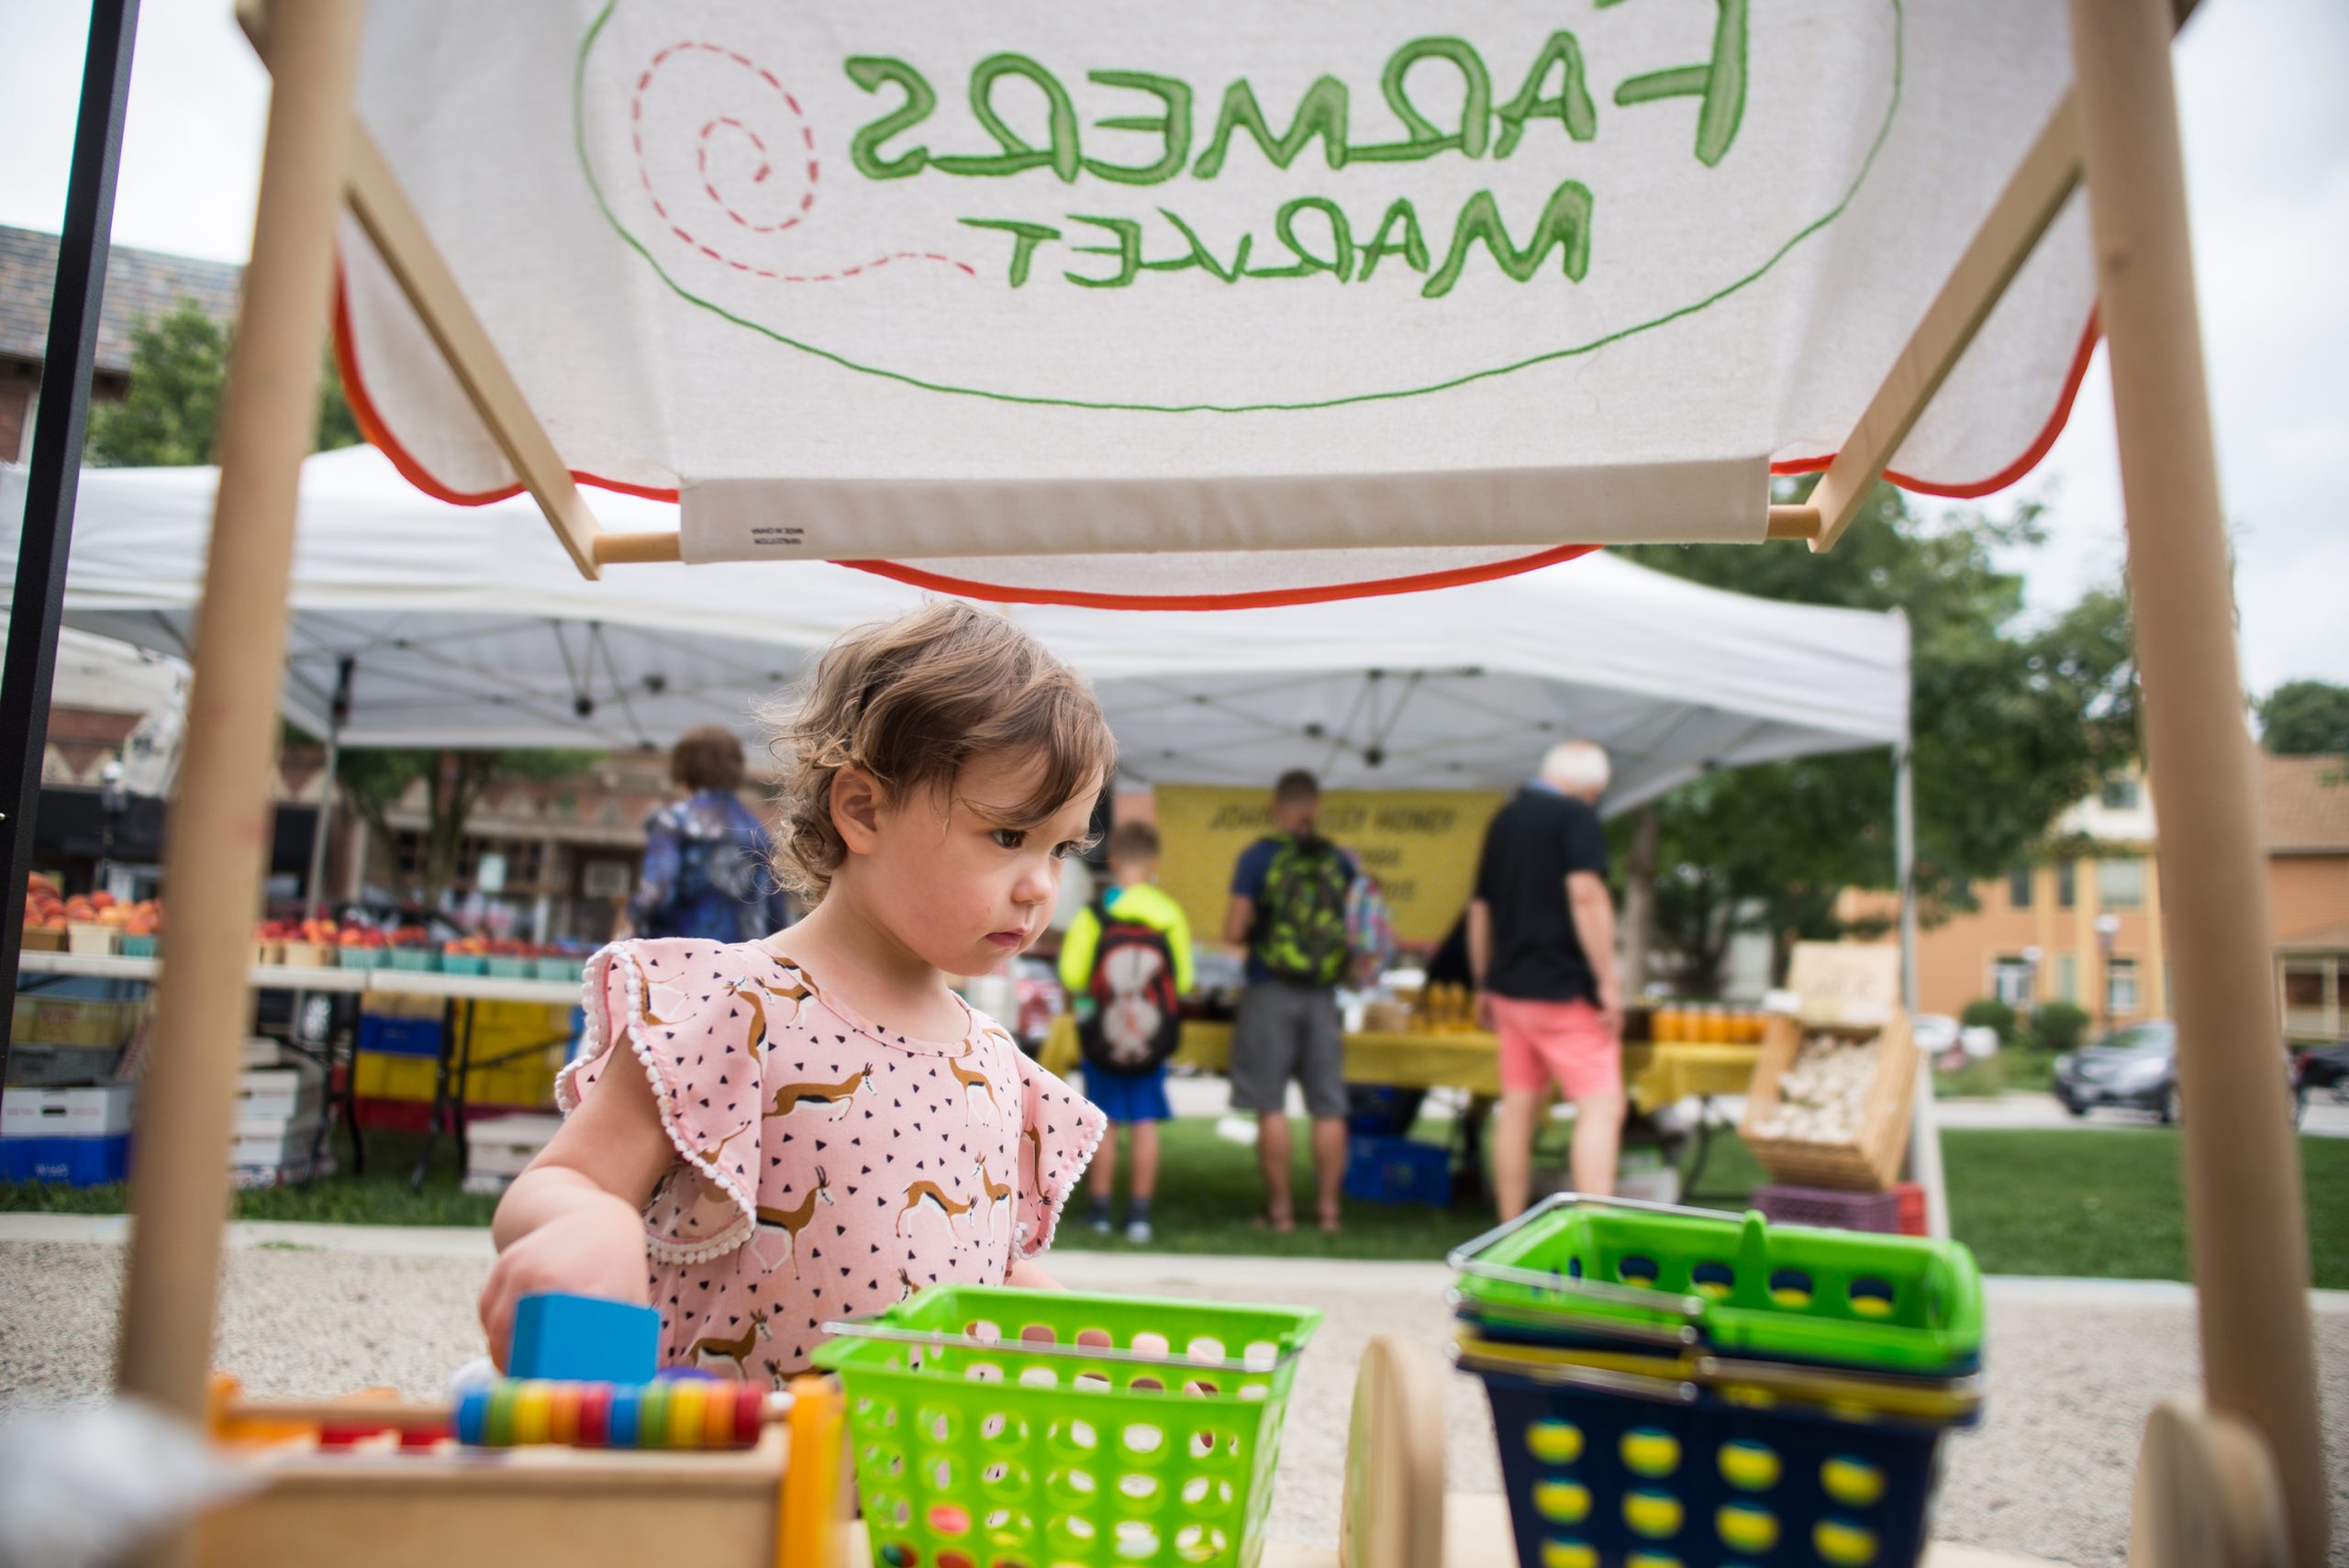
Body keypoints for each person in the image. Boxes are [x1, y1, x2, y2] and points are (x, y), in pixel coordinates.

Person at [479, 603, 1112, 1380]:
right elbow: (561, 1179)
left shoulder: (997, 1067)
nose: (1039, 888)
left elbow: (969, 1278)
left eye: (1061, 849)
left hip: (912, 1495)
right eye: (1010, 836)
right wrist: (591, 1224)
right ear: (862, 809)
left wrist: (1098, 1344)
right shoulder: (734, 1009)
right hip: (726, 1481)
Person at [1469, 740, 1624, 1218]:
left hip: (1510, 992)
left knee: (1517, 1108)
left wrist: (1482, 983)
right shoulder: (1575, 817)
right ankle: (1593, 1226)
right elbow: (1585, 894)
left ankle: (1509, 1228)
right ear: (1588, 787)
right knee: (1601, 1107)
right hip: (1563, 991)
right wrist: (1607, 980)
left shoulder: (1505, 818)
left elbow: (1480, 908)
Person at [1223, 770, 1355, 1234]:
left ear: (1276, 808)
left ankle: (1280, 1214)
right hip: (1323, 994)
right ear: (1315, 808)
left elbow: (1235, 931)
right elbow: (1358, 932)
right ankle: (1329, 1214)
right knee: (1329, 1106)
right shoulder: (1340, 861)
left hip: (1269, 988)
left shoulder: (1258, 857)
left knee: (1270, 1104)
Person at [1058, 820, 1193, 1244]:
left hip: (1104, 1035)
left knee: (1107, 1121)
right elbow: (1184, 982)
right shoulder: (1170, 915)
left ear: (1113, 860)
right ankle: (1139, 1216)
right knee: (1145, 1120)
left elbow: (1072, 972)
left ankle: (1098, 1212)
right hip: (1150, 1040)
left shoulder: (1095, 914)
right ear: (1155, 863)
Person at [627, 725, 792, 942]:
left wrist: (634, 920)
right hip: (742, 963)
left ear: (683, 768)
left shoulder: (674, 823)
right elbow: (777, 914)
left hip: (683, 959)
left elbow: (657, 892)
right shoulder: (757, 831)